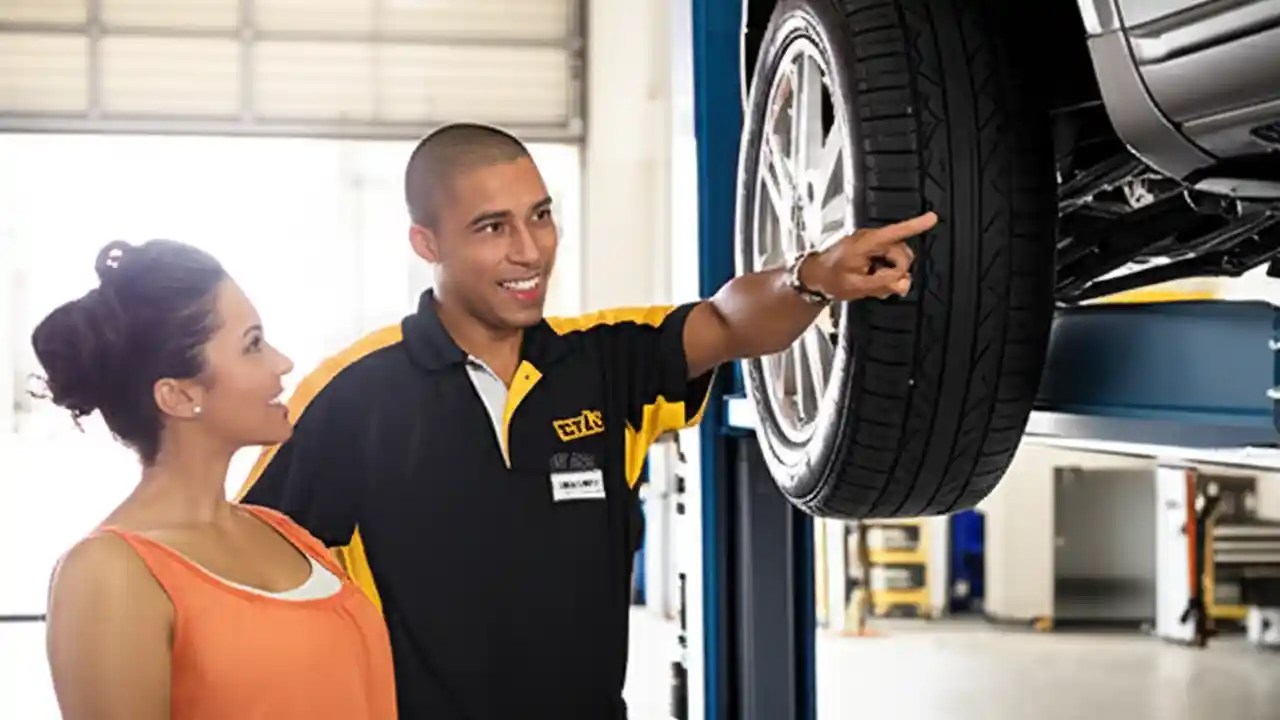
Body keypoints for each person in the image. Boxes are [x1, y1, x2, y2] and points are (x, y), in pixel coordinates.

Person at [235, 122, 936, 719]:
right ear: (427, 243)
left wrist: (812, 277)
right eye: (492, 227)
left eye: (540, 216)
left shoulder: (603, 363)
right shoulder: (353, 396)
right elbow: (237, 571)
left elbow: (727, 322)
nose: (530, 250)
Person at [37, 240, 397, 720]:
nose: (281, 363)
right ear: (180, 396)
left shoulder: (289, 535)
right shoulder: (108, 574)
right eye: (252, 345)